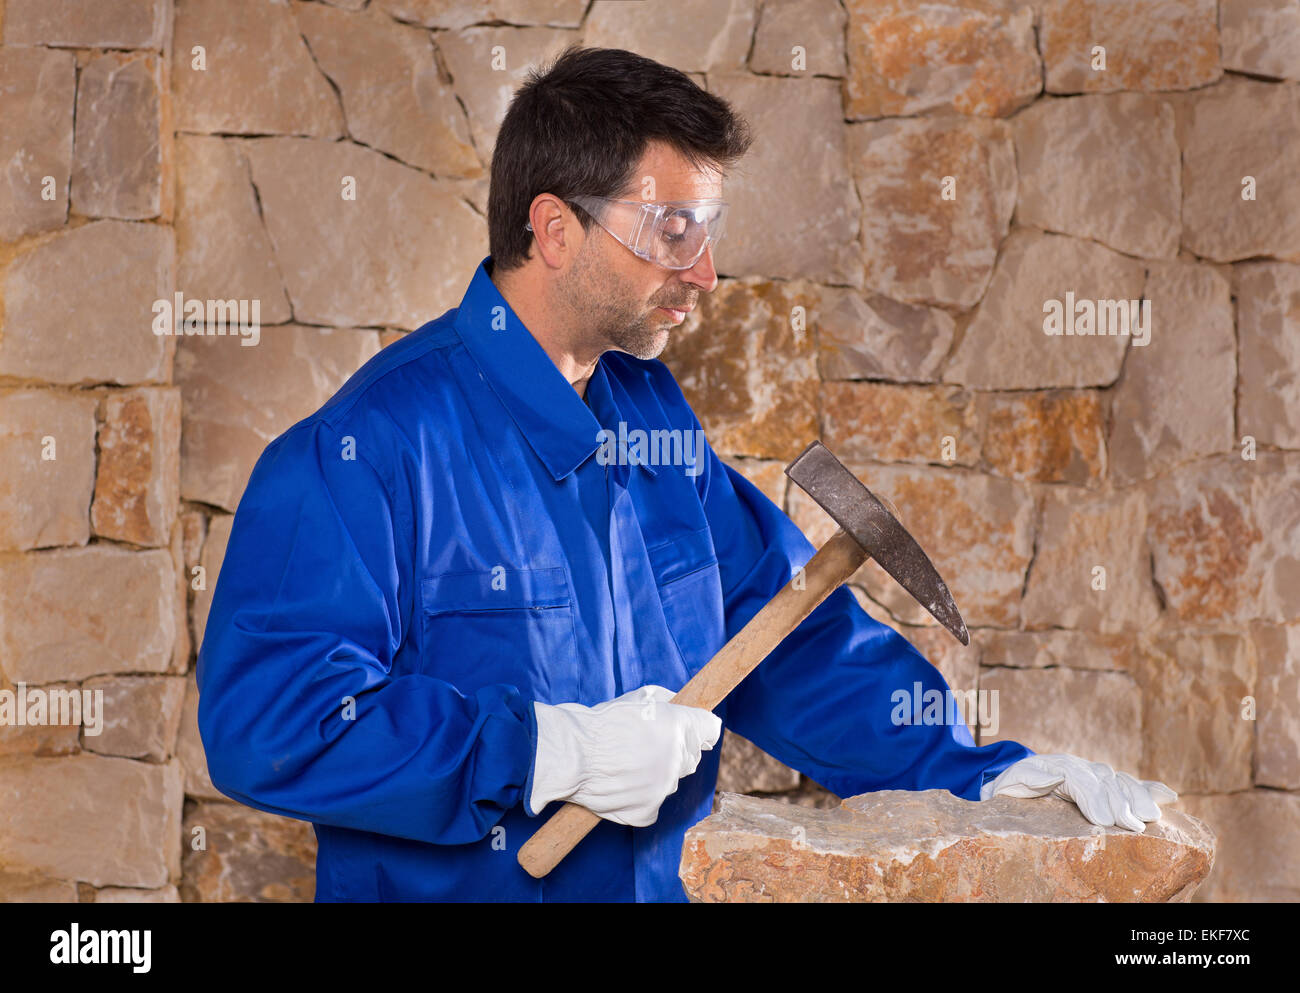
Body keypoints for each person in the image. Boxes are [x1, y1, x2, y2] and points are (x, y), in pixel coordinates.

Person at [197, 45, 1176, 903]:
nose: (705, 273)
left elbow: (784, 643)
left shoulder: (654, 423)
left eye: (707, 232)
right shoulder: (366, 453)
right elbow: (273, 719)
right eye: (672, 230)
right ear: (553, 230)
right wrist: (544, 751)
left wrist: (977, 776)